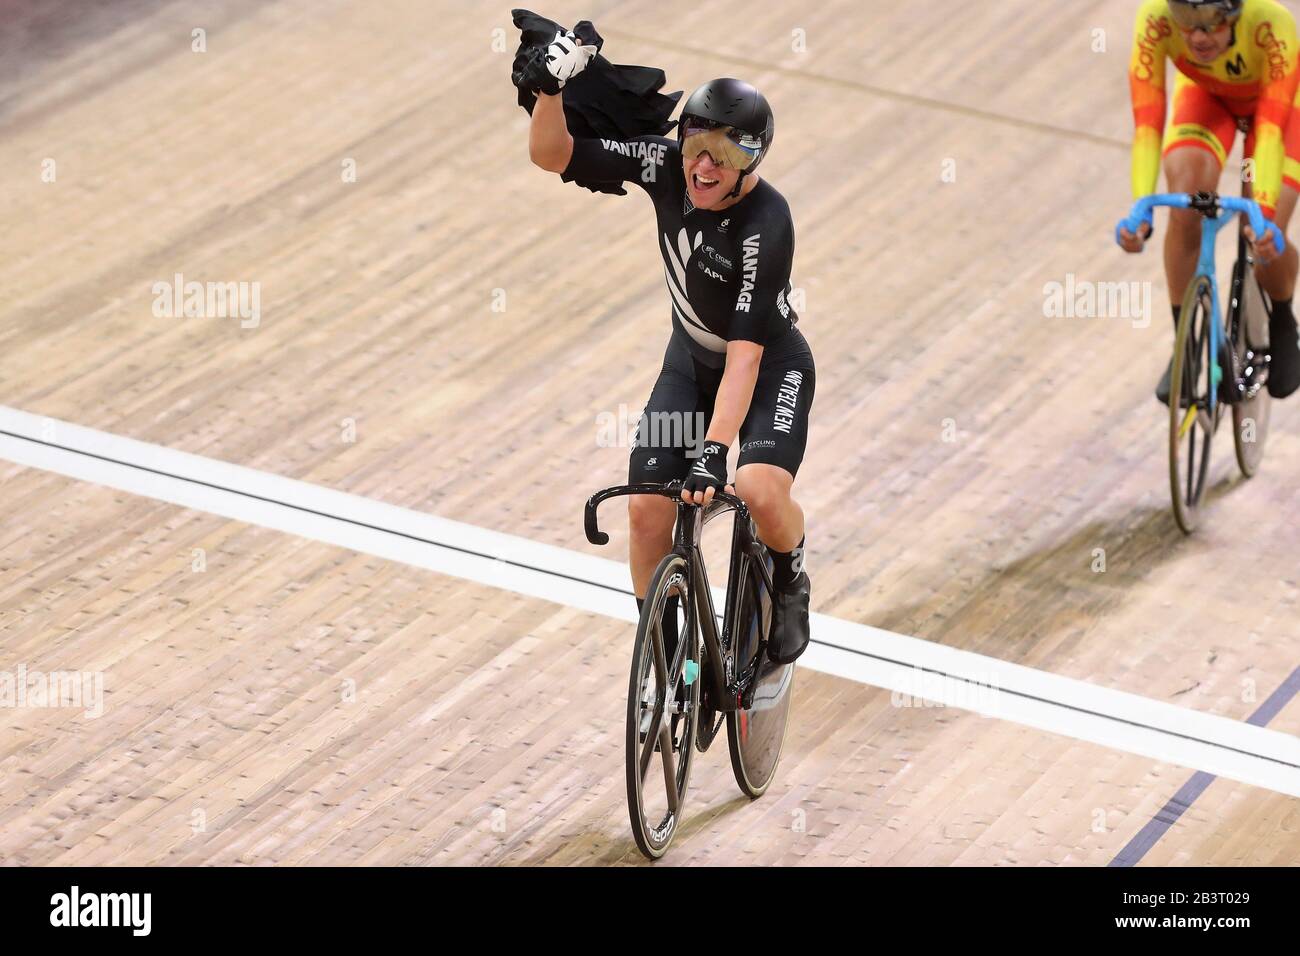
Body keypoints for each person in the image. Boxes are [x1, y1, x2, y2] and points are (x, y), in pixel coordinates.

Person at [524, 38, 813, 665]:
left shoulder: (769, 221)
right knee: (647, 509)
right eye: (696, 145)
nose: (704, 166)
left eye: (726, 152)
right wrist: (549, 92)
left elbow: (745, 356)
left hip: (767, 368)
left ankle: (790, 573)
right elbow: (554, 154)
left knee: (759, 491)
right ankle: (665, 649)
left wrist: (713, 452)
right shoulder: (663, 166)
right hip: (690, 365)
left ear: (752, 160)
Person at [1119, 0, 1300, 402]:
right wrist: (1140, 210)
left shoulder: (1272, 25)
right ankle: (1186, 346)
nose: (1198, 37)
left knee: (1264, 236)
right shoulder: (1154, 18)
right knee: (1184, 202)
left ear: (1236, 16)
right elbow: (1147, 126)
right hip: (1208, 97)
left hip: (1279, 113)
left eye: (1212, 25)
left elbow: (1269, 132)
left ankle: (1284, 317)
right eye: (1187, 22)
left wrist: (1264, 216)